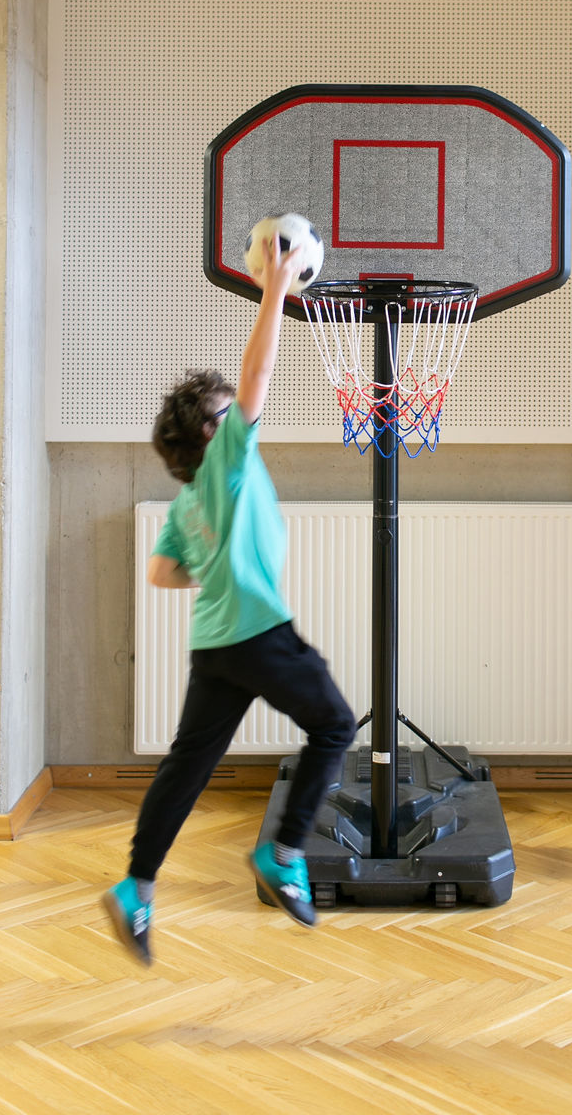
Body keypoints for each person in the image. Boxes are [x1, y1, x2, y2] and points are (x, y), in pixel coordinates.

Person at [103, 238, 356, 963]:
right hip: (255, 633)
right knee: (335, 724)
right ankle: (282, 855)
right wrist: (276, 289)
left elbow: (159, 575)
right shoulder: (228, 464)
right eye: (228, 414)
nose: (243, 419)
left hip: (216, 645)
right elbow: (259, 372)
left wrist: (212, 574)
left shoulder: (187, 504)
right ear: (213, 435)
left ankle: (136, 889)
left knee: (187, 765)